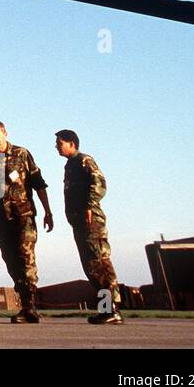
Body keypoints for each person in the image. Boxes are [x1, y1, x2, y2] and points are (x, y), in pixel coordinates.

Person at [0, 120, 53, 323]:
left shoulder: (22, 154)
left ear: (6, 134)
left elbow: (38, 184)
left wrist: (48, 211)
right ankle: (24, 305)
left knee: (26, 257)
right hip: (0, 218)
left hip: (23, 216)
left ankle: (30, 307)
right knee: (11, 260)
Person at [56, 129, 124, 325]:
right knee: (91, 267)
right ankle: (106, 310)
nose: (57, 147)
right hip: (79, 222)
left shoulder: (84, 160)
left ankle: (111, 310)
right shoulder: (70, 165)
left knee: (99, 263)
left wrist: (89, 205)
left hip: (91, 221)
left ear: (72, 143)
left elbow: (99, 183)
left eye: (60, 143)